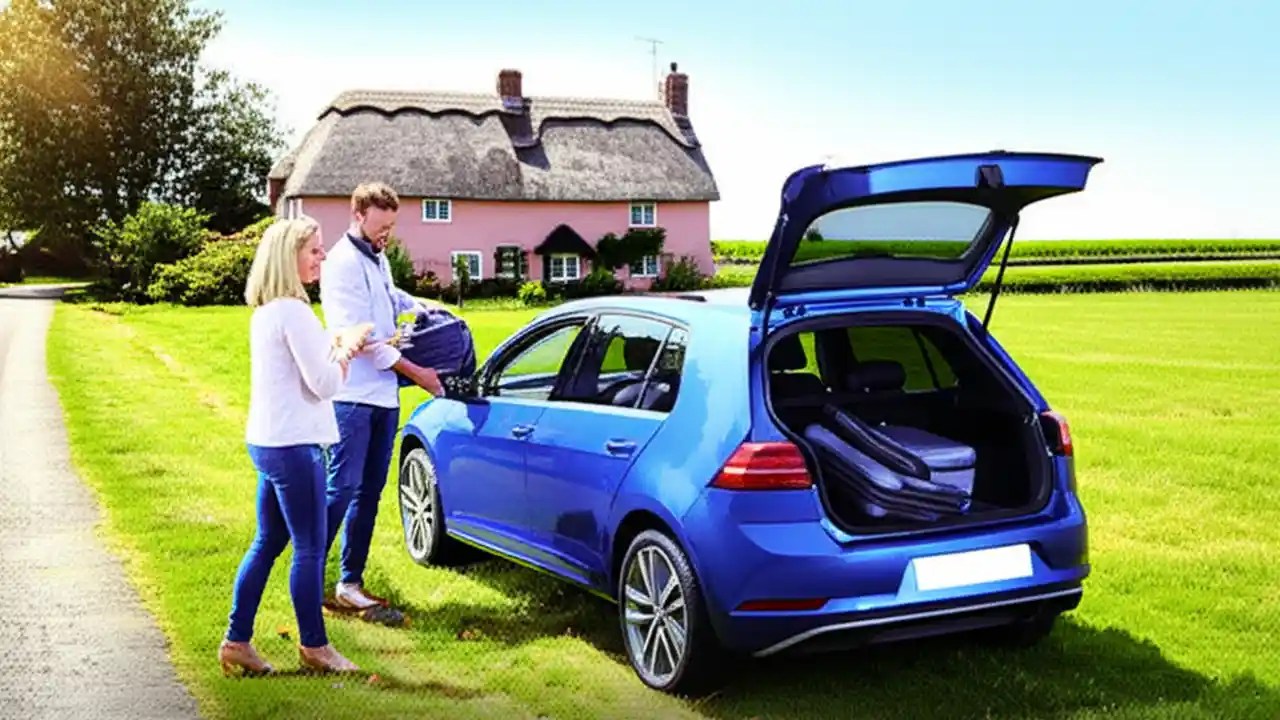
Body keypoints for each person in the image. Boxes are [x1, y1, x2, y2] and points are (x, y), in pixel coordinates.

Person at [218, 216, 373, 676]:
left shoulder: (266, 313)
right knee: (310, 547)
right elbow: (325, 384)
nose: (322, 258)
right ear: (290, 258)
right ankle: (316, 648)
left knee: (267, 541)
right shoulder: (294, 311)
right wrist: (348, 349)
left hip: (267, 441)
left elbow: (298, 368)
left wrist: (333, 345)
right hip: (294, 446)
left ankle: (236, 640)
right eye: (314, 250)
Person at [320, 182, 443, 624]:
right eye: (381, 225)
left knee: (370, 493)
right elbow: (364, 339)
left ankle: (350, 583)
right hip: (353, 398)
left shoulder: (378, 255)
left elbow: (391, 300)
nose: (387, 233)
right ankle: (312, 575)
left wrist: (427, 306)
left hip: (383, 399)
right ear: (358, 215)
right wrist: (419, 375)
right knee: (341, 490)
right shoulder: (340, 264)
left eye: (392, 225)